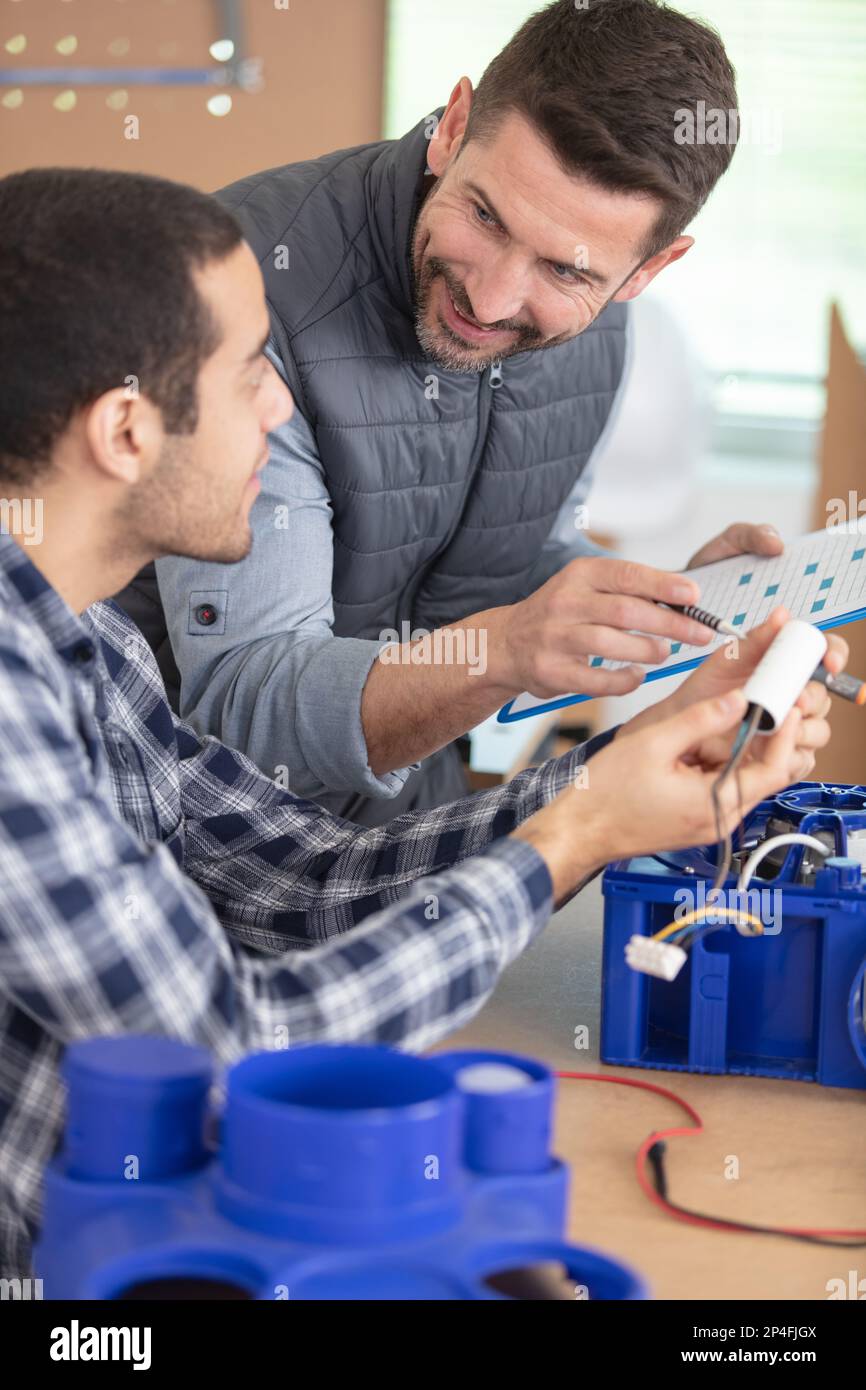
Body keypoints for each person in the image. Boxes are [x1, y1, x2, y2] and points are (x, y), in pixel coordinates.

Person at [0, 168, 842, 1279]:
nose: (279, 404)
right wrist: (572, 835)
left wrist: (615, 771)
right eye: (251, 365)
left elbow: (300, 874)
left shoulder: (79, 631)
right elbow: (232, 1052)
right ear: (124, 430)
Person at [116, 0, 786, 825]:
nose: (492, 298)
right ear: (454, 123)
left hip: (403, 836)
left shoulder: (610, 327)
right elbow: (246, 715)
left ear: (648, 269)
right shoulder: (244, 291)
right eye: (485, 216)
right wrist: (501, 656)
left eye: (566, 272)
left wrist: (667, 604)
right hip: (184, 849)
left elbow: (510, 561)